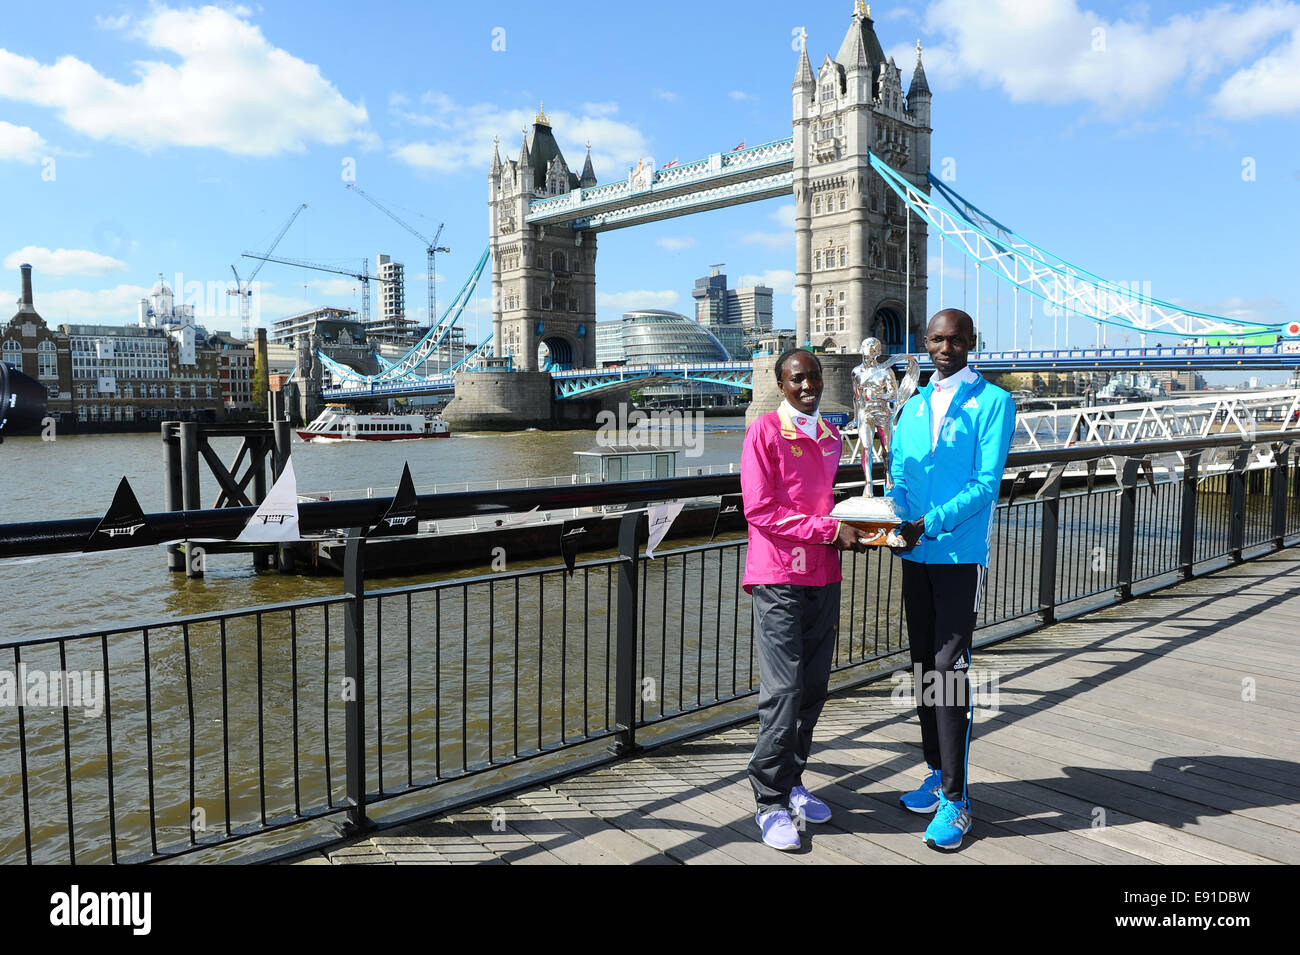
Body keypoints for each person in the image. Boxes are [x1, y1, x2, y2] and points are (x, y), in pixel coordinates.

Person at [886, 309, 1016, 851]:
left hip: (958, 555)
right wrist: (889, 512)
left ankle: (958, 801)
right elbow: (899, 472)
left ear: (971, 343)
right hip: (914, 554)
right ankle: (937, 775)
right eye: (937, 340)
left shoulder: (995, 402)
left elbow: (986, 485)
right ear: (925, 343)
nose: (946, 348)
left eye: (956, 340)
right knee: (922, 667)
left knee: (948, 671)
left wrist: (928, 523)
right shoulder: (912, 404)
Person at [740, 348, 867, 851]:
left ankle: (793, 781)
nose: (808, 385)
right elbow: (760, 510)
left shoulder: (832, 436)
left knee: (813, 688)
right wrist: (830, 530)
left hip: (823, 573)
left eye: (813, 377)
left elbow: (825, 504)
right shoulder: (764, 432)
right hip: (777, 576)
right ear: (781, 385)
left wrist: (867, 522)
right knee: (784, 691)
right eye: (797, 379)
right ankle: (769, 800)